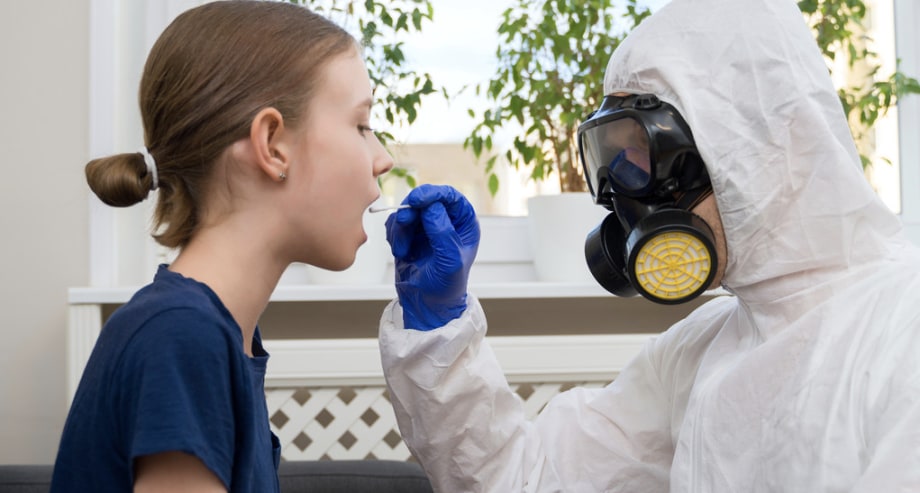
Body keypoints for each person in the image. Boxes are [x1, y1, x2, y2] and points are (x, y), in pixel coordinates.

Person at [377, 0, 920, 490]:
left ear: (754, 142)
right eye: (612, 160)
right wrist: (439, 331)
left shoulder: (902, 325)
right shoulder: (700, 349)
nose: (625, 193)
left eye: (641, 154)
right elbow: (531, 479)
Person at [51, 2, 394, 491]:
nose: (382, 159)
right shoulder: (181, 336)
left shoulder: (214, 332)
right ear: (272, 144)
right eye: (361, 126)